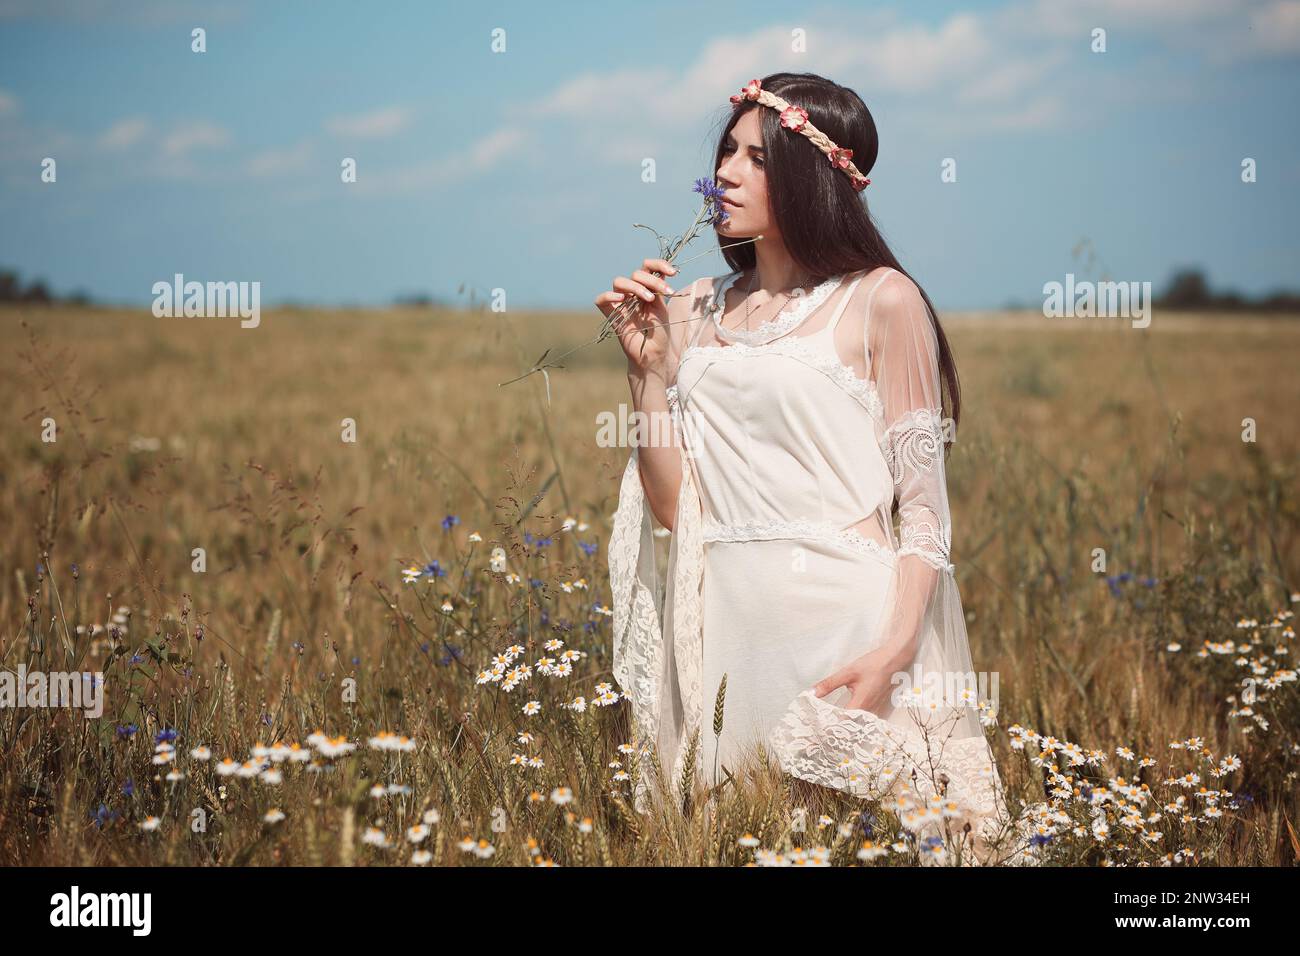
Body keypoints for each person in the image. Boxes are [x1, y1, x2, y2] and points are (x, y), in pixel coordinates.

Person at [597, 72, 1015, 860]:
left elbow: (924, 514)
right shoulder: (689, 310)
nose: (725, 172)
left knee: (894, 844)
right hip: (722, 639)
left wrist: (891, 654)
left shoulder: (882, 300)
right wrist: (647, 374)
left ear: (812, 175)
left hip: (847, 634)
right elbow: (670, 508)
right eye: (727, 151)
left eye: (756, 157)